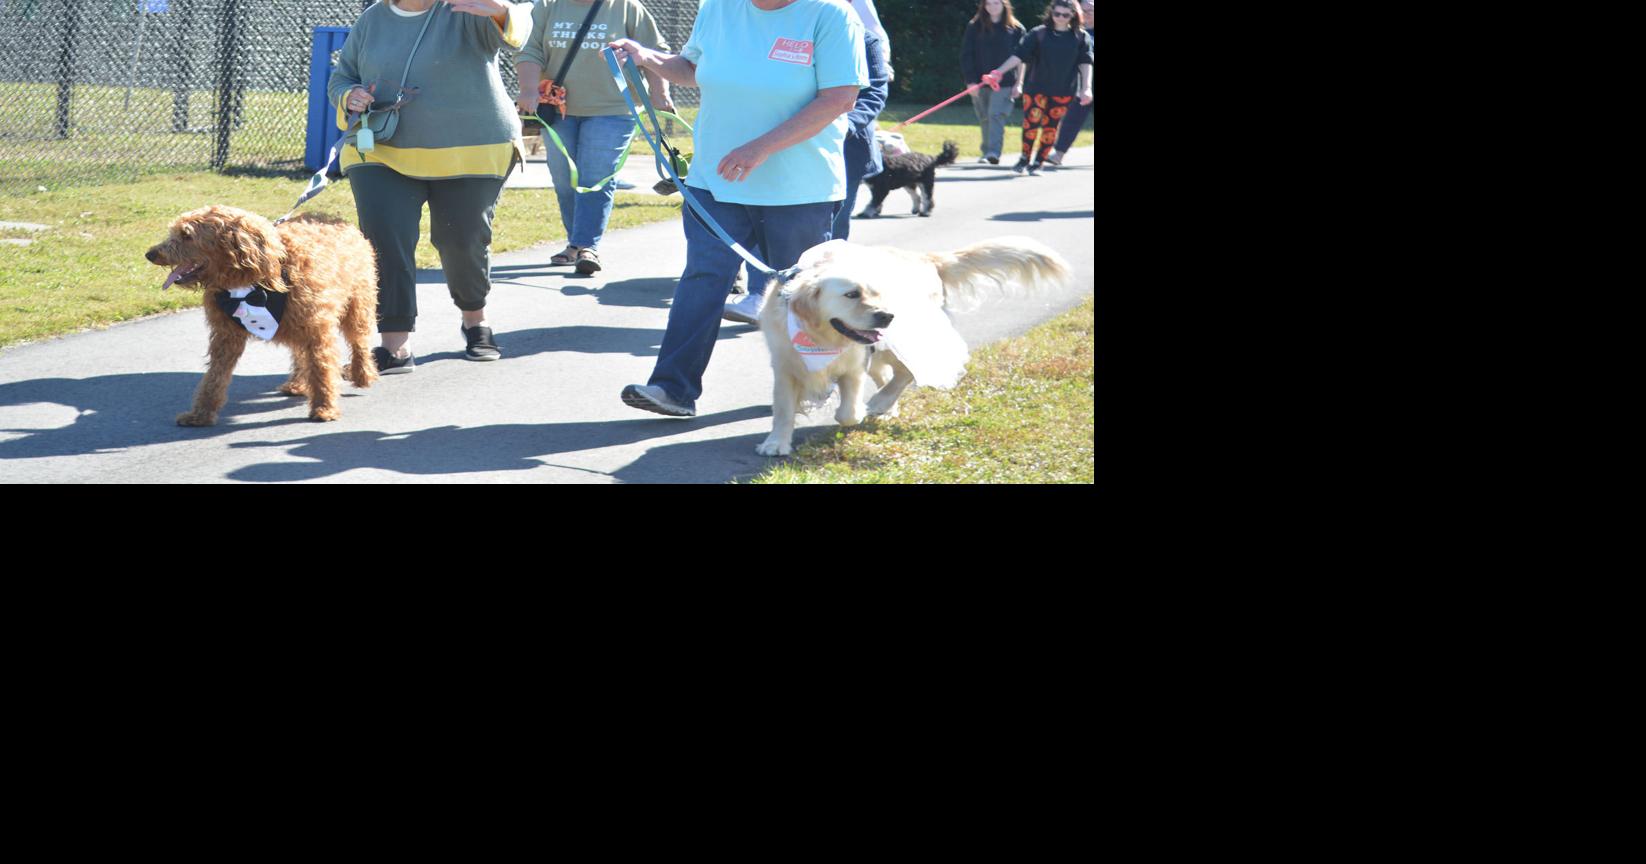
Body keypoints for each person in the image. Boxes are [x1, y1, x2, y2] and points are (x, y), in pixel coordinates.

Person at [608, 0, 868, 417]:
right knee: (703, 279)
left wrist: (759, 148)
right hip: (715, 182)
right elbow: (692, 70)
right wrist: (648, 58)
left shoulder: (831, 14)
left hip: (799, 188)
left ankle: (817, 380)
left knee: (801, 294)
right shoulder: (718, 8)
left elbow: (840, 98)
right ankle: (672, 389)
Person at [330, 0, 534, 371]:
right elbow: (343, 77)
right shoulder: (373, 18)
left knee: (461, 239)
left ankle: (476, 321)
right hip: (382, 151)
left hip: (471, 147)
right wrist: (350, 95)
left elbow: (516, 31)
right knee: (384, 240)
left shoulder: (465, 9)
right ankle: (395, 345)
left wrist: (500, 10)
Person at [722, 21, 887, 324]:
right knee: (765, 218)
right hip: (780, 146)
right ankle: (762, 296)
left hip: (841, 152)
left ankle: (829, 310)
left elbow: (874, 93)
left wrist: (834, 127)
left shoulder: (864, 39)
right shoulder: (789, 31)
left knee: (829, 235)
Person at [516, 0, 673, 275]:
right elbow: (530, 50)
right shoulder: (547, 6)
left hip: (613, 109)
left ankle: (585, 245)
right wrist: (528, 89)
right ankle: (576, 243)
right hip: (558, 109)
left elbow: (654, 52)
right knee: (565, 178)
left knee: (596, 176)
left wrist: (660, 93)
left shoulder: (627, 7)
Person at [982, 0, 1093, 175]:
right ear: (1051, 13)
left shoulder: (1080, 37)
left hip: (1063, 91)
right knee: (1030, 125)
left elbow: (1086, 63)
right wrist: (998, 72)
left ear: (1073, 15)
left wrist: (1086, 88)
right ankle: (1024, 158)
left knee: (1051, 127)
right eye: (1057, 14)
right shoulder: (1038, 34)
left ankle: (1039, 161)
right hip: (1036, 89)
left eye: (1065, 15)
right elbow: (1019, 56)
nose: (1060, 18)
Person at [961, 0, 1026, 165]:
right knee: (984, 117)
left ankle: (993, 152)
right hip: (979, 82)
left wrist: (1019, 83)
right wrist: (970, 82)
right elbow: (966, 55)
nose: (992, 7)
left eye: (996, 3)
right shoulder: (974, 26)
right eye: (988, 4)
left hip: (1005, 82)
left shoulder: (1017, 29)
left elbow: (1022, 59)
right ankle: (986, 151)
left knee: (995, 115)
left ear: (1005, 5)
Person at [1046, 0, 1094, 167]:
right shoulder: (1073, 33)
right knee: (1071, 121)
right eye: (1084, 10)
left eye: (1091, 10)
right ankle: (1058, 155)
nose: (1088, 13)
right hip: (1080, 86)